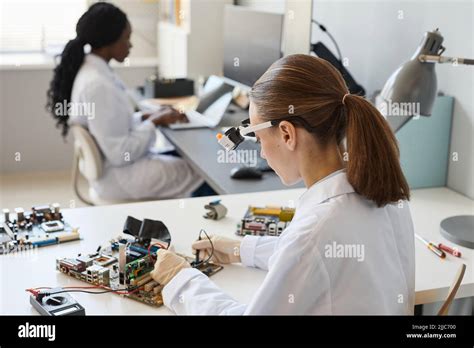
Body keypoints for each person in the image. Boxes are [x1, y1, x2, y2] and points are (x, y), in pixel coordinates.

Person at [149, 54, 415, 315]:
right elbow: (315, 259)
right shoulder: (384, 193)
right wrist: (241, 249)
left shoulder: (315, 232)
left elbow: (307, 253)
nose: (262, 153)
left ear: (287, 133)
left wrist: (181, 280)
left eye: (257, 136)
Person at [46, 3, 205, 201]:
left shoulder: (93, 71)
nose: (130, 45)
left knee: (181, 158)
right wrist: (154, 122)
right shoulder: (98, 85)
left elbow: (113, 126)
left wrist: (148, 116)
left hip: (116, 170)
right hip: (121, 176)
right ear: (108, 42)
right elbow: (121, 153)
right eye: (126, 38)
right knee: (202, 171)